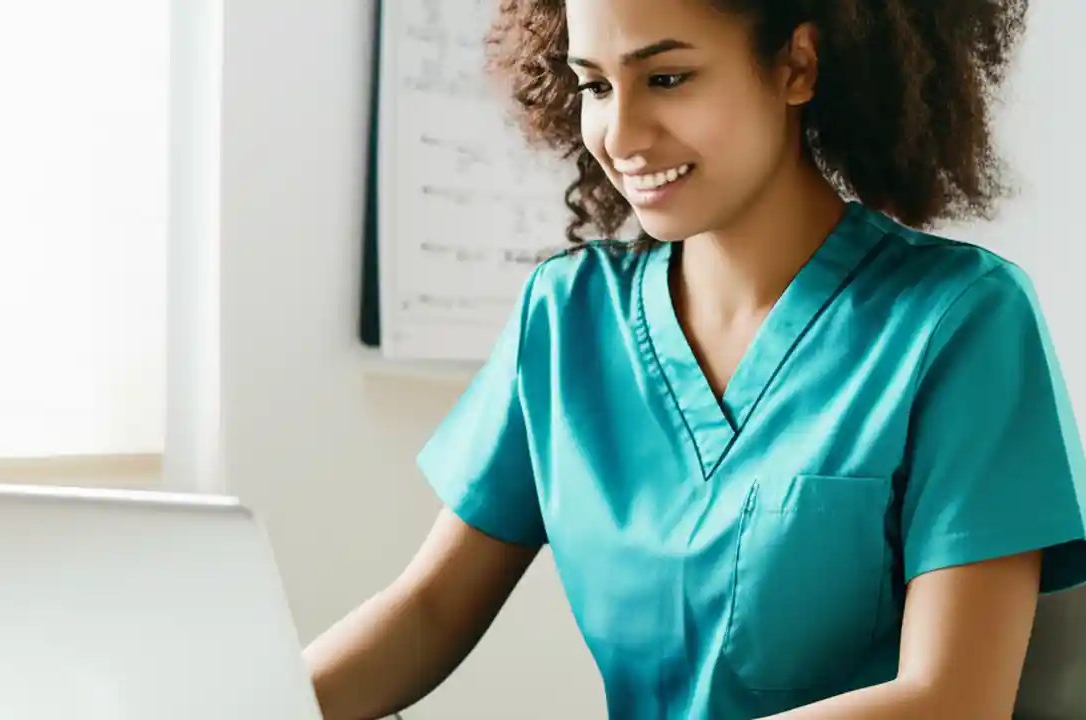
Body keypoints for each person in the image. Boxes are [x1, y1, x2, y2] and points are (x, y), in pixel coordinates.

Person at [305, 0, 1086, 717]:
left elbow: (952, 699)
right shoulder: (568, 317)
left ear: (797, 67)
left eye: (667, 78)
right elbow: (430, 611)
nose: (620, 133)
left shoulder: (960, 320)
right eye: (596, 86)